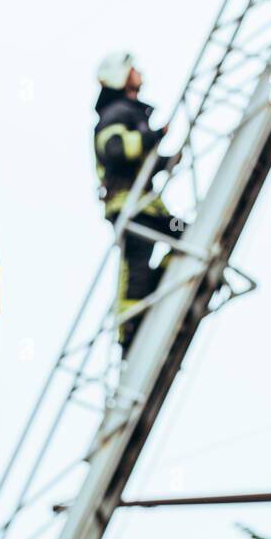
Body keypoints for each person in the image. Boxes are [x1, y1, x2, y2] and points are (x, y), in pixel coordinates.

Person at [95, 51, 186, 353]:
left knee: (185, 236)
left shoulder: (131, 113)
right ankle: (130, 330)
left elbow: (139, 164)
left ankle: (158, 286)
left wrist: (167, 160)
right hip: (129, 207)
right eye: (132, 68)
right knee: (135, 267)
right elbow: (116, 149)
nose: (139, 71)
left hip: (145, 206)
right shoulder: (118, 112)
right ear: (121, 76)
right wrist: (155, 136)